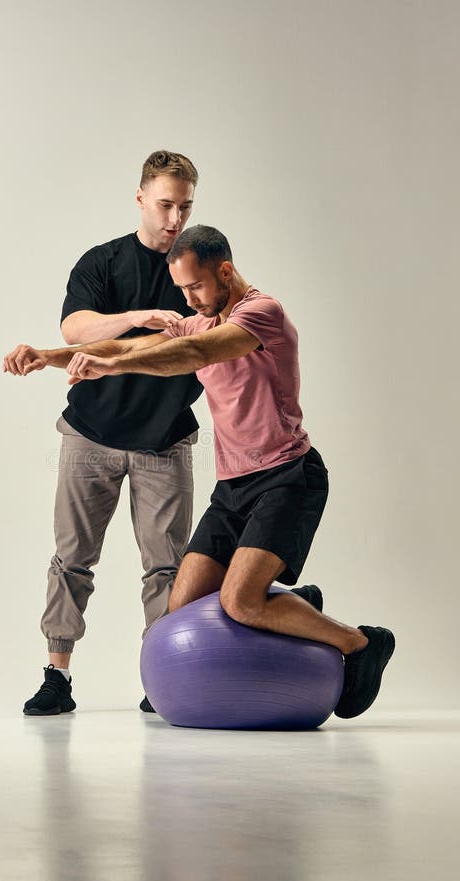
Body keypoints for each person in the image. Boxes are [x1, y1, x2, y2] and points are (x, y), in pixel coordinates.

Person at [3, 157, 322, 717]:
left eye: (186, 206)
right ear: (141, 199)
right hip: (92, 435)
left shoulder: (213, 288)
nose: (175, 217)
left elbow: (188, 351)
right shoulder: (111, 263)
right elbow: (83, 332)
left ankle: (165, 677)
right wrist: (62, 351)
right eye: (164, 204)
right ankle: (57, 675)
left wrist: (127, 352)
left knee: (171, 573)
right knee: (73, 558)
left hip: (171, 443)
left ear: (220, 271)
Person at [59, 225, 396, 719]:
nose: (189, 299)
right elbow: (131, 347)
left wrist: (112, 370)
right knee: (181, 607)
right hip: (233, 487)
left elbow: (193, 354)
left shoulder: (262, 314)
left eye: (195, 287)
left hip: (287, 477)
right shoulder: (201, 319)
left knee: (240, 603)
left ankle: (360, 642)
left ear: (225, 271)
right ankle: (290, 600)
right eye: (181, 291)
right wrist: (52, 357)